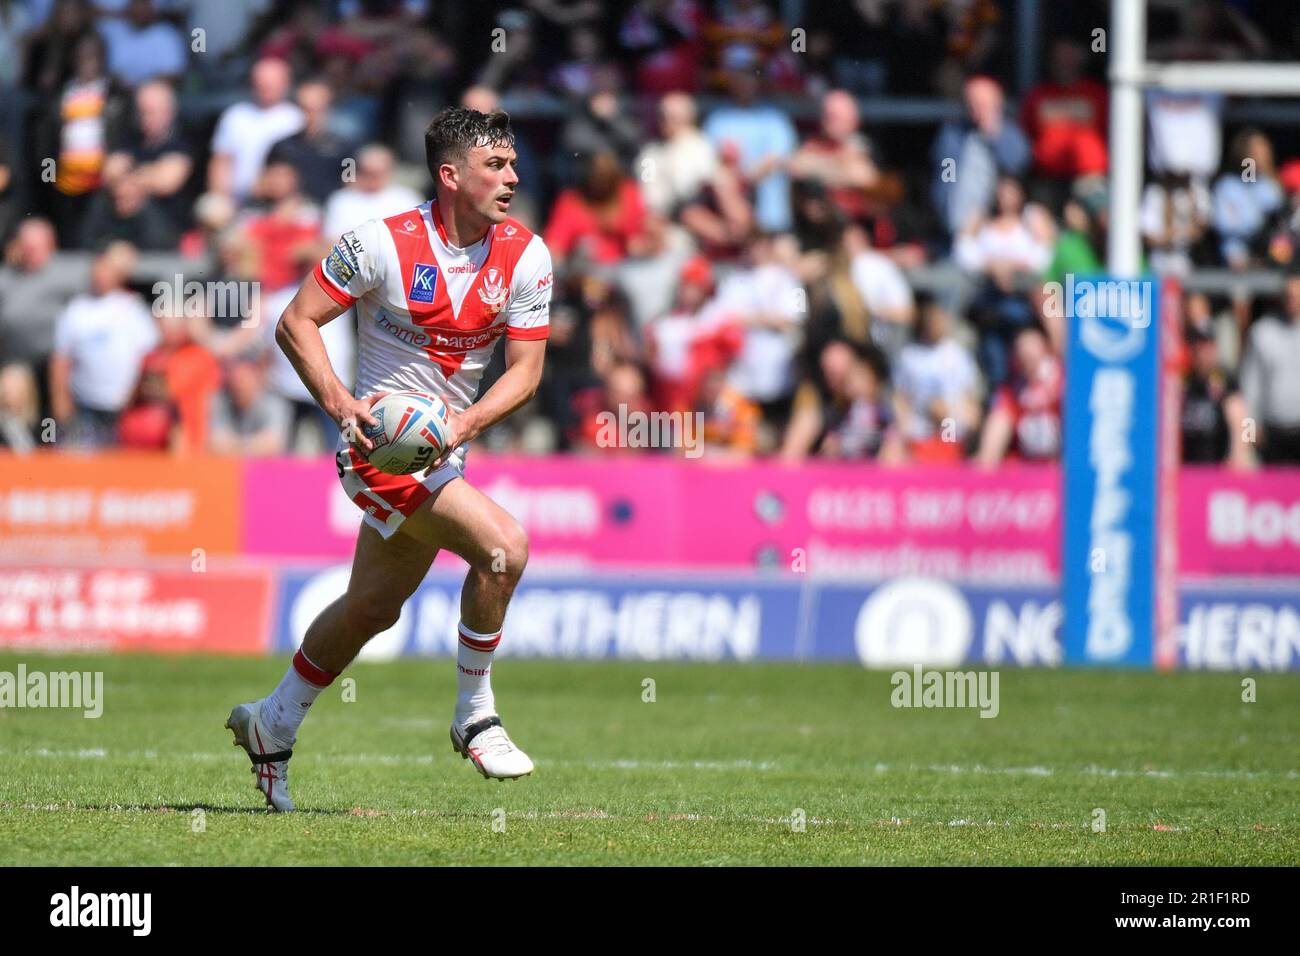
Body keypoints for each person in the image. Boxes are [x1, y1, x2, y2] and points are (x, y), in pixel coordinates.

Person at [226, 107, 551, 810]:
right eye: (495, 165)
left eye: (513, 163)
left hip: (441, 450)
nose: (512, 177)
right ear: (449, 174)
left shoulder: (527, 255)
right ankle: (476, 714)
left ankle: (271, 723)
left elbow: (525, 374)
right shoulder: (379, 244)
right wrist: (345, 406)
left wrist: (461, 423)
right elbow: (295, 321)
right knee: (504, 548)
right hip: (381, 451)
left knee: (374, 607)